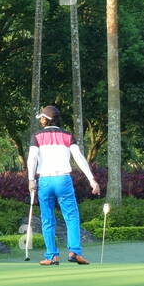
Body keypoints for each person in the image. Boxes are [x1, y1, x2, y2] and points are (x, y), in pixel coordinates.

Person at [27, 105, 100, 265]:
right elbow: (79, 158)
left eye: (42, 118)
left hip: (45, 181)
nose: (41, 120)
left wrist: (31, 179)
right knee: (71, 216)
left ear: (47, 119)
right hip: (63, 180)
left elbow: (32, 158)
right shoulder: (67, 135)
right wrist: (91, 179)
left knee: (47, 219)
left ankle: (52, 256)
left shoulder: (37, 136)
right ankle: (74, 251)